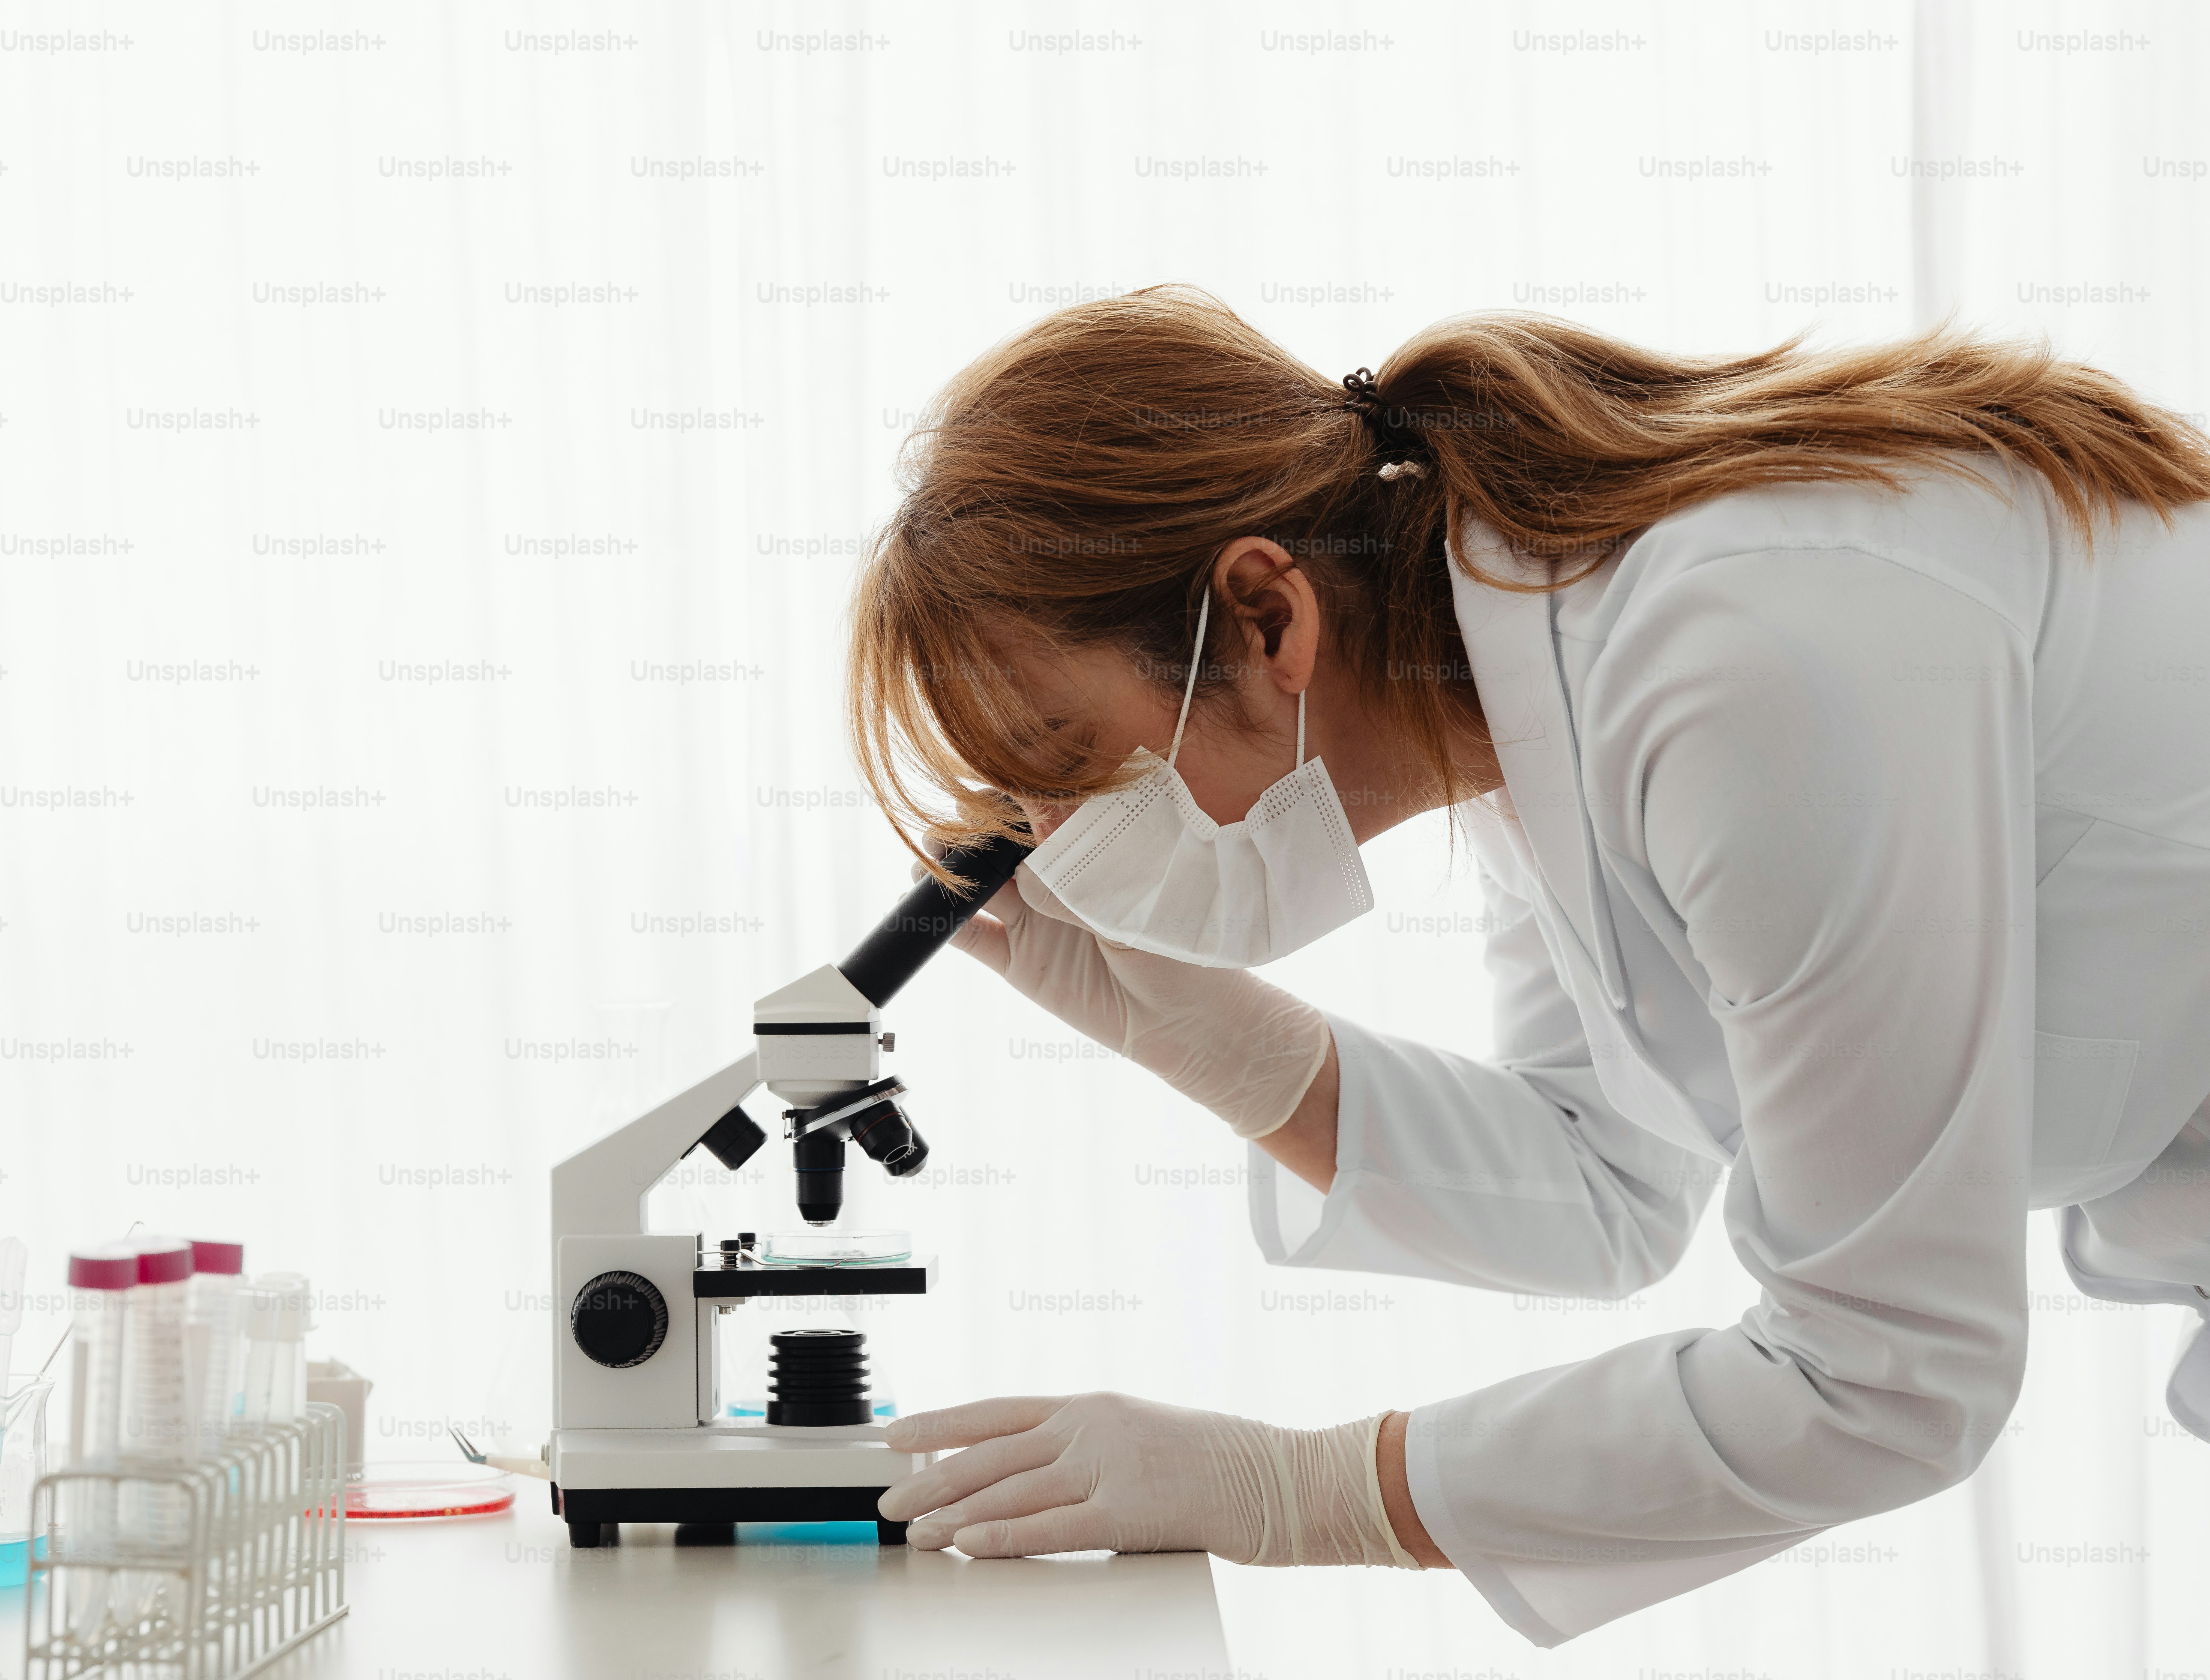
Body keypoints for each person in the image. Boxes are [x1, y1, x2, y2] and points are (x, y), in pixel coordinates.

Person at [847, 286, 2210, 1645]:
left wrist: (1288, 1490)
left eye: (1067, 760)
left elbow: (1885, 1380)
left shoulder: (1732, 665)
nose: (1056, 843)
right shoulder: (1514, 697)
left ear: (1264, 618)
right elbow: (1607, 1189)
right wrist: (1210, 1038)